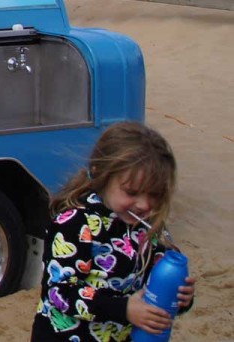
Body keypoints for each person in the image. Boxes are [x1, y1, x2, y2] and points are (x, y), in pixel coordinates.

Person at [32, 122, 196, 340]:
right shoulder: (76, 223)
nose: (145, 205)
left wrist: (180, 298)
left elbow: (152, 289)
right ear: (101, 175)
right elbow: (60, 293)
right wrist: (124, 309)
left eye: (154, 195)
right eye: (132, 192)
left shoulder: (148, 226)